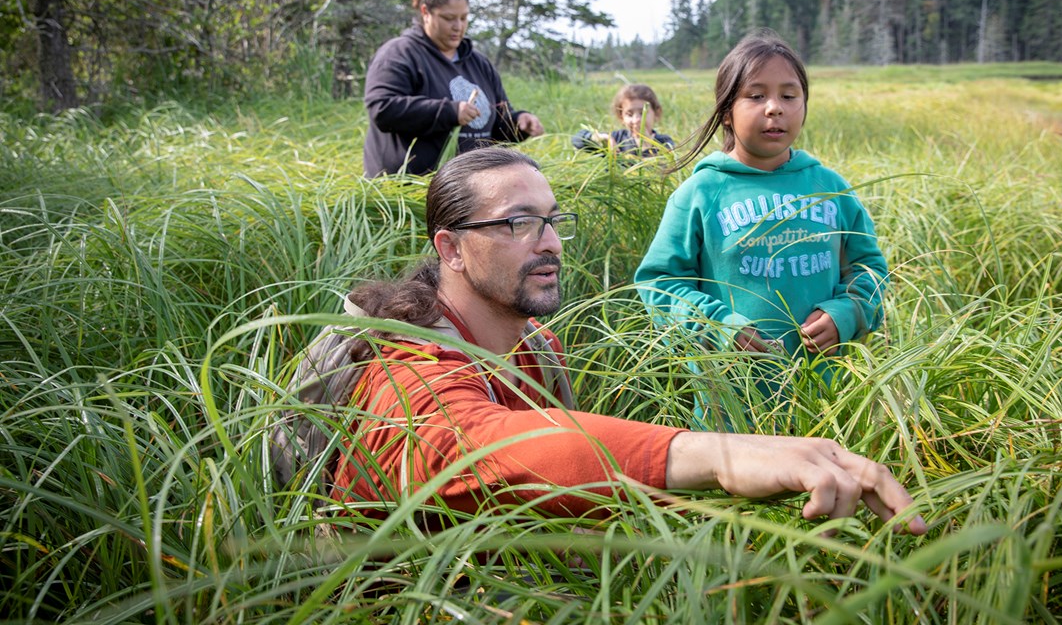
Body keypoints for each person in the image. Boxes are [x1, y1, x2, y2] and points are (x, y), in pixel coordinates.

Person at [324, 146, 923, 534]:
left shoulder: (538, 347)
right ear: (450, 248)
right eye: (517, 223)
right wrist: (716, 455)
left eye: (554, 220)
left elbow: (560, 476)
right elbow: (474, 448)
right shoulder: (401, 359)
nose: (551, 243)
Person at [634, 30, 888, 414]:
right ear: (726, 112)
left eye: (789, 95)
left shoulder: (830, 188)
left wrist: (847, 313)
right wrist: (719, 327)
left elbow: (870, 269)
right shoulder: (701, 193)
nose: (775, 107)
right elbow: (660, 283)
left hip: (828, 404)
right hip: (731, 405)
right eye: (755, 96)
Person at [362, 0, 544, 177]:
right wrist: (450, 112)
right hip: (412, 187)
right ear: (425, 12)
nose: (458, 26)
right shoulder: (399, 54)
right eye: (448, 18)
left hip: (468, 189)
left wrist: (520, 123)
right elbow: (383, 109)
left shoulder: (479, 63)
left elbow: (497, 125)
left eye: (464, 18)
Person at [571, 83, 675, 156]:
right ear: (621, 117)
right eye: (629, 114)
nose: (636, 120)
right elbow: (577, 139)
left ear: (656, 113)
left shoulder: (664, 142)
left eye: (643, 113)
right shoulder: (616, 139)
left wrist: (647, 148)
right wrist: (598, 139)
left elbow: (664, 169)